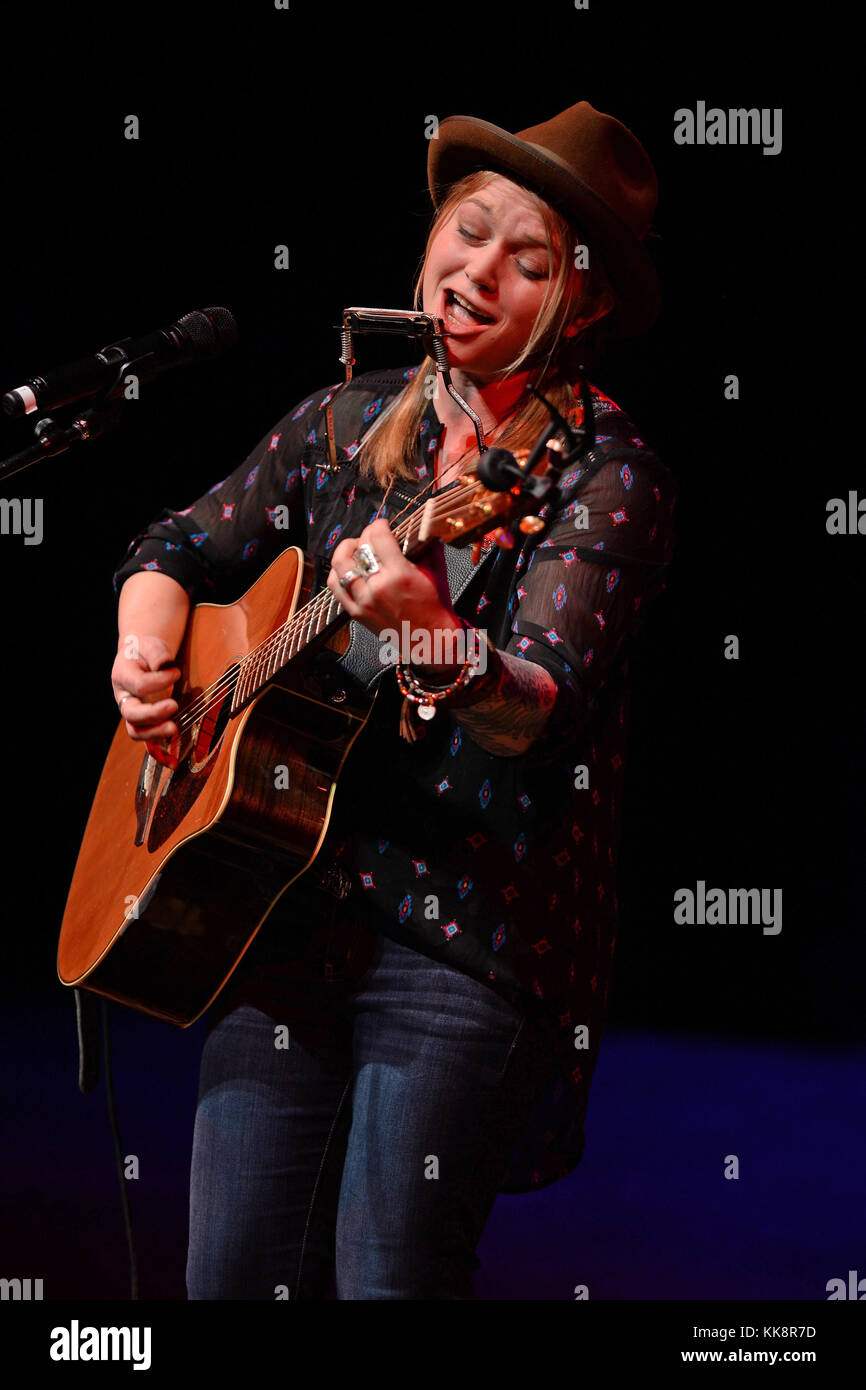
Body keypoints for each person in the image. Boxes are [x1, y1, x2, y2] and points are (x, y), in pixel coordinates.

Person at [109, 100, 677, 1300]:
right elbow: (176, 543)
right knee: (228, 1278)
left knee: (388, 1278)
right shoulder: (347, 420)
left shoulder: (602, 472)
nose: (477, 271)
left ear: (582, 307)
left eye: (528, 263)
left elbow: (540, 706)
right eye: (466, 233)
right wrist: (147, 653)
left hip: (466, 934)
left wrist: (426, 629)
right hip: (281, 914)